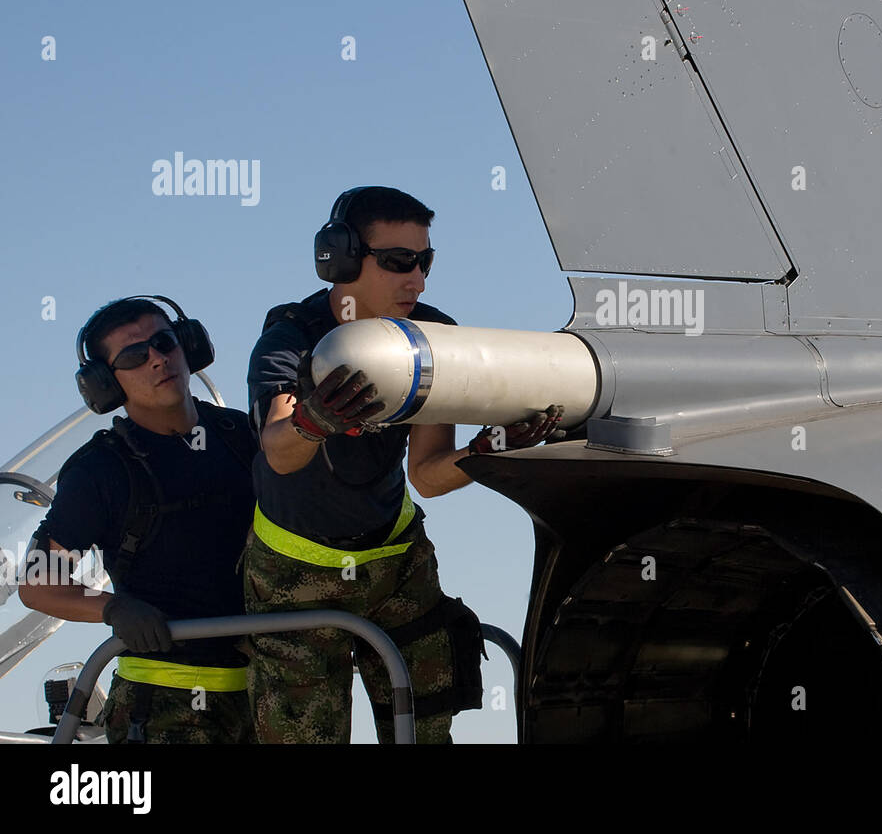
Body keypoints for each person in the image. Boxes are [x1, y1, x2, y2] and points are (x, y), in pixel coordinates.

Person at [244, 185, 561, 744]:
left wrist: (486, 452)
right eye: (397, 263)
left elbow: (428, 476)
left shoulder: (431, 337)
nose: (417, 280)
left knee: (426, 730)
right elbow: (279, 451)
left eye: (424, 261)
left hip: (396, 564)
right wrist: (313, 423)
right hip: (295, 575)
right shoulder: (291, 339)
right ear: (340, 260)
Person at [20, 295, 256, 744]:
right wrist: (111, 608)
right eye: (134, 356)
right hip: (163, 703)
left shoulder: (242, 436)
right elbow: (37, 584)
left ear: (188, 347)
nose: (158, 360)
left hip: (270, 691)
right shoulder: (100, 471)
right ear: (107, 385)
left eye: (165, 342)